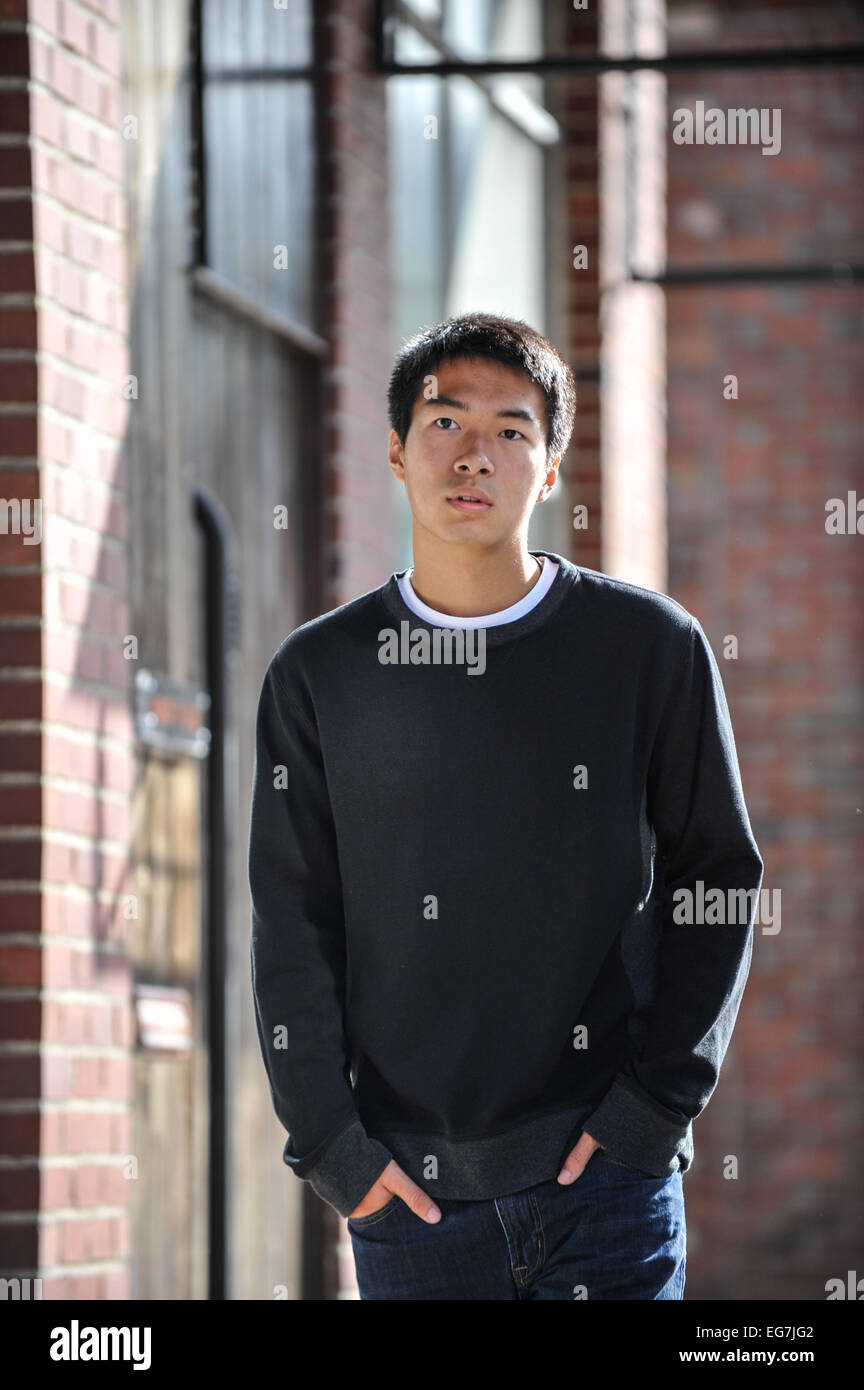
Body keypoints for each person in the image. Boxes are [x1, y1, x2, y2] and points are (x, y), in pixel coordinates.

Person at [248, 311, 764, 1300]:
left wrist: (653, 1111)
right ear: (397, 454)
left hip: (608, 1184)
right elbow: (293, 922)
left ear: (553, 464)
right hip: (414, 1203)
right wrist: (334, 1152)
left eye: (512, 430)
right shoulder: (321, 675)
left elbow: (720, 875)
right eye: (445, 423)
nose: (474, 454)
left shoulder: (647, 648)